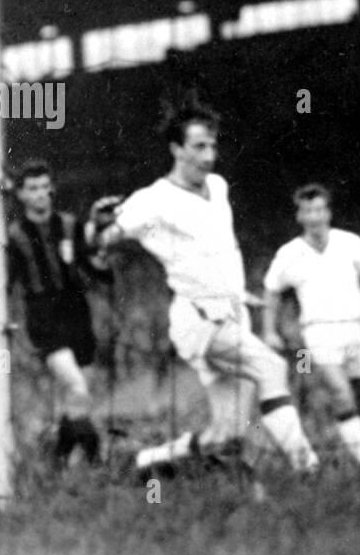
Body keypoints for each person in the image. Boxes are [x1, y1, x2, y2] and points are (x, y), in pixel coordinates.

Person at [89, 98, 318, 476]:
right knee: (273, 368)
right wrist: (97, 227)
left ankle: (147, 462)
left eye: (213, 145)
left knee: (228, 433)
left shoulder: (217, 185)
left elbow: (213, 249)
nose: (209, 155)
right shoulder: (154, 200)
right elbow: (105, 237)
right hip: (198, 319)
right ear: (176, 149)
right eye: (199, 147)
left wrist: (236, 290)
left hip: (231, 312)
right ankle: (307, 467)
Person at [263, 184, 360, 467]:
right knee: (340, 392)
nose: (315, 217)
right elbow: (272, 290)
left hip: (356, 326)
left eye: (320, 210)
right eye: (308, 211)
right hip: (319, 332)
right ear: (299, 216)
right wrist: (269, 330)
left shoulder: (349, 243)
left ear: (329, 213)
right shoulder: (289, 253)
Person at [7, 160, 111, 467]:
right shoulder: (15, 235)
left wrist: (103, 256)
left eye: (44, 187)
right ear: (22, 195)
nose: (40, 194)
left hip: (77, 314)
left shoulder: (69, 225)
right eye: (32, 189)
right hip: (44, 318)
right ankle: (96, 459)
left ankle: (57, 460)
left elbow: (94, 269)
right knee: (77, 389)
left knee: (75, 399)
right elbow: (6, 282)